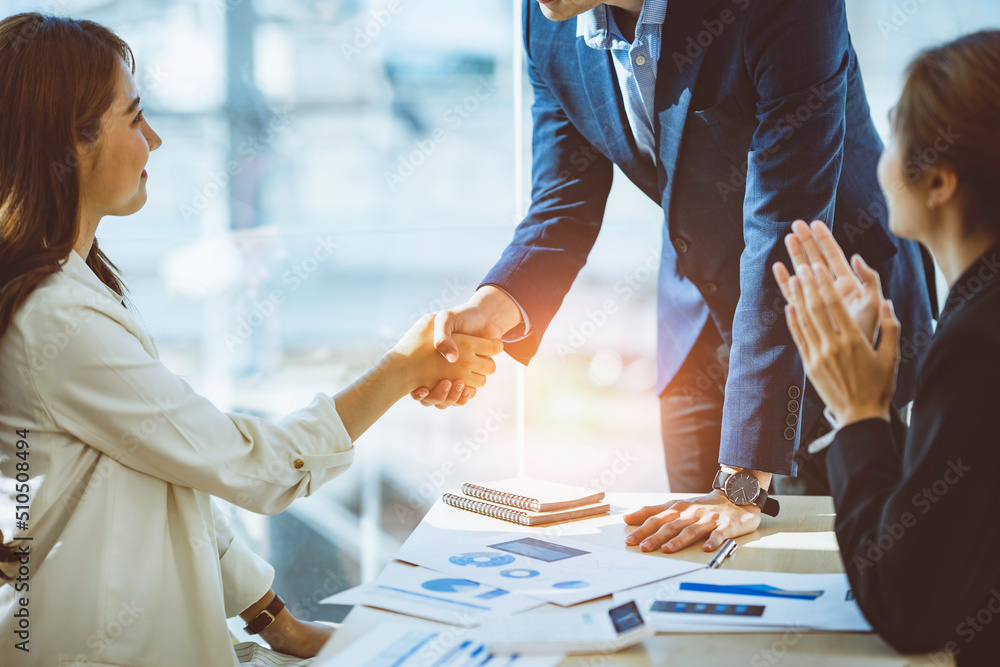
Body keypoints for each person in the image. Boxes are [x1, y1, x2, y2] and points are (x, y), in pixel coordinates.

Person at [0, 13, 501, 666]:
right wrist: (401, 371)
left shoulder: (75, 289)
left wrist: (273, 619)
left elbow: (177, 466)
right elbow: (252, 465)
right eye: (134, 118)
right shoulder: (58, 318)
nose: (153, 141)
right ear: (70, 141)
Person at [413, 0, 935, 554]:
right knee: (689, 551)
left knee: (839, 554)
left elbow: (782, 228)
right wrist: (492, 308)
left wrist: (743, 479)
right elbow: (563, 202)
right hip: (692, 309)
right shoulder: (548, 20)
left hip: (829, 302)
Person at [773, 31, 1000, 666]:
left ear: (937, 182)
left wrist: (858, 412)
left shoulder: (976, 343)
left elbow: (911, 607)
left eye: (894, 134)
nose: (876, 157)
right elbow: (956, 515)